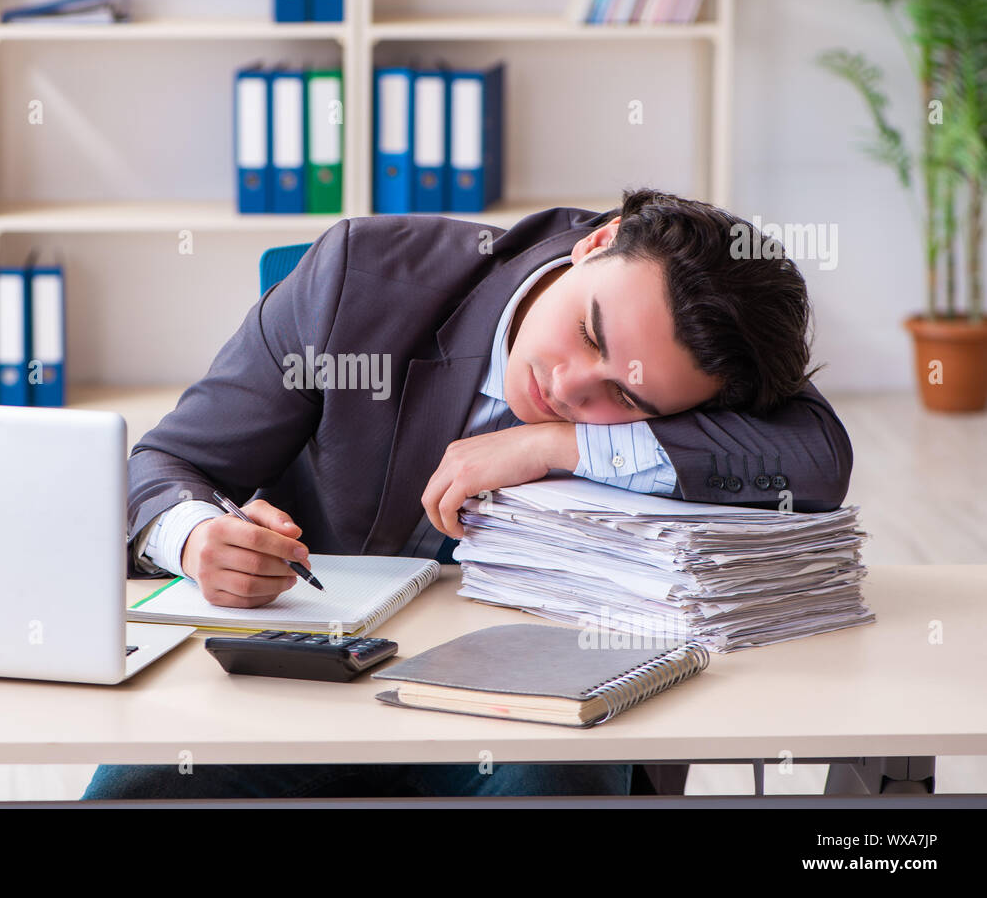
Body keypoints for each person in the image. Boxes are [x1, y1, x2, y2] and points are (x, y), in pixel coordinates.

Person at [82, 188, 852, 800]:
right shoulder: (361, 275)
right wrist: (192, 537)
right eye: (588, 334)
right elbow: (163, 464)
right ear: (594, 242)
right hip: (306, 687)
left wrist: (559, 443)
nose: (566, 387)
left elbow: (818, 455)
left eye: (625, 395)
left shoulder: (699, 363)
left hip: (541, 711)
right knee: (138, 792)